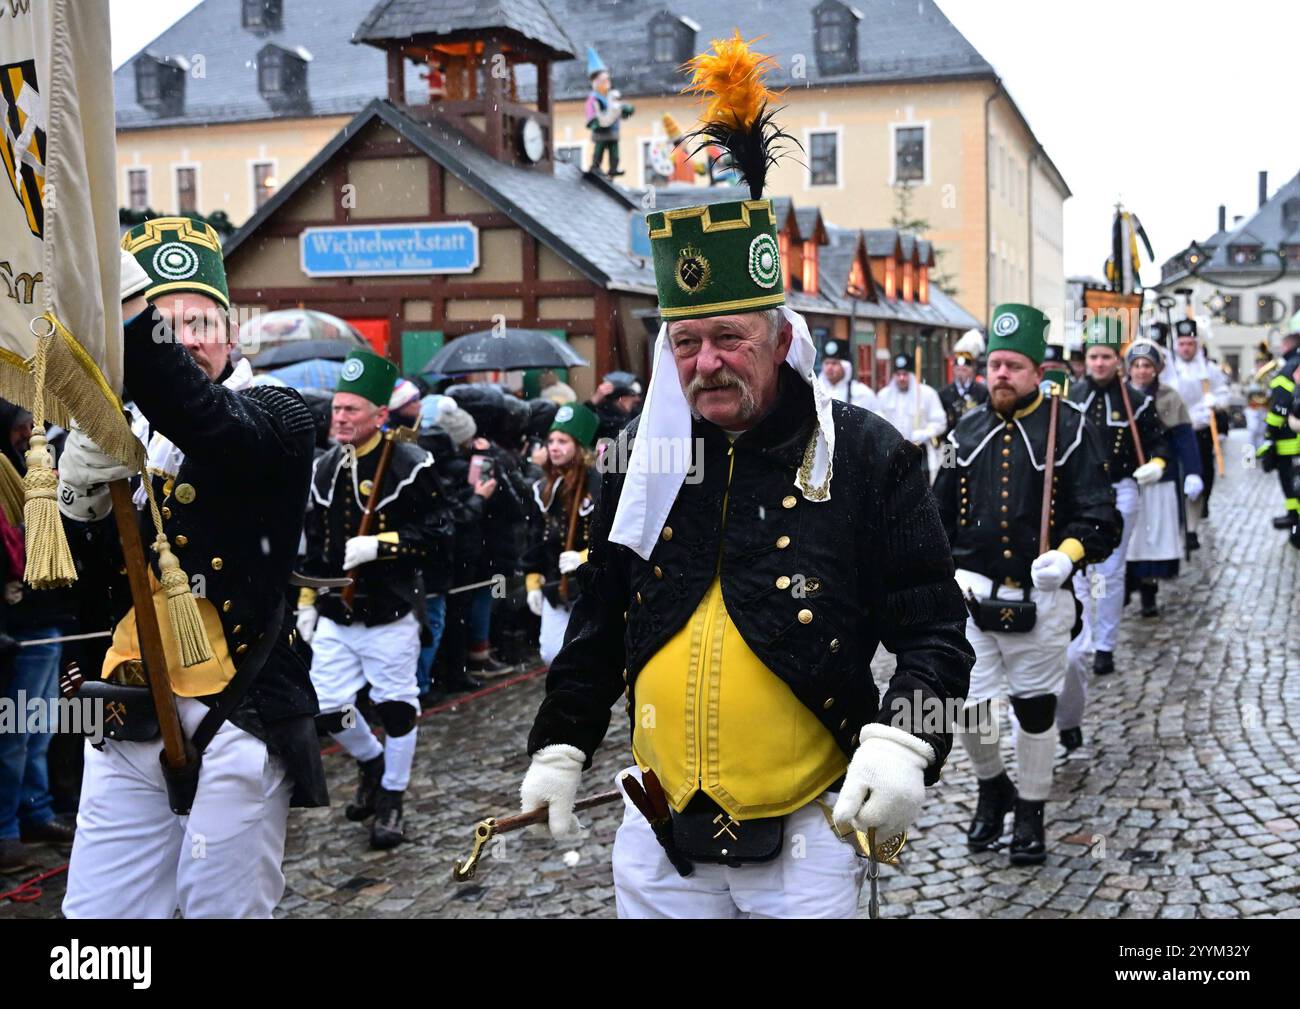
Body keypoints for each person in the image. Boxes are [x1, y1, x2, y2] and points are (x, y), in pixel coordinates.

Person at [517, 37, 972, 918]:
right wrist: (560, 745)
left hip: (808, 839)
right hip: (655, 834)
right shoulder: (641, 462)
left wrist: (906, 742)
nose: (707, 362)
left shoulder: (870, 456)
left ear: (779, 337)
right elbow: (601, 620)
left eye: (731, 338)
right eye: (686, 343)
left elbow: (933, 630)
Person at [59, 223, 326, 918]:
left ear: (232, 333)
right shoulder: (117, 428)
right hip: (128, 701)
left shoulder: (278, 413)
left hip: (240, 711)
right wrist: (81, 507)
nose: (186, 338)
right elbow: (90, 590)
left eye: (201, 320)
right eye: (165, 322)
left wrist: (124, 312)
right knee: (98, 920)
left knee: (223, 909)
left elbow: (207, 421)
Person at [936, 303, 1119, 865]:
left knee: (1035, 709)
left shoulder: (1070, 426)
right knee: (968, 707)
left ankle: (1032, 810)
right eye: (994, 365)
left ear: (1038, 372)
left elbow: (1101, 513)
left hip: (1041, 598)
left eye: (1014, 366)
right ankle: (993, 788)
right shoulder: (964, 430)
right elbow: (934, 512)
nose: (1001, 375)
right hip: (972, 597)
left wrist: (1067, 556)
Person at [296, 349, 454, 849]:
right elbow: (317, 543)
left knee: (397, 708)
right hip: (336, 614)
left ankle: (391, 798)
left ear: (380, 416)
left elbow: (441, 530)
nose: (339, 418)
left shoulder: (410, 462)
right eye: (337, 409)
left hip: (390, 611)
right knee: (327, 709)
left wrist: (383, 545)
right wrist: (306, 599)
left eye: (351, 411)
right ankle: (370, 761)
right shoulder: (323, 467)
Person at [1067, 315, 1169, 676]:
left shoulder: (1137, 402)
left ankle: (1105, 645)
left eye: (1106, 357)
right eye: (1094, 357)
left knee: (1109, 571)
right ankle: (1082, 637)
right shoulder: (1070, 396)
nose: (1099, 363)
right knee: (1076, 571)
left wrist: (1156, 464)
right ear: (1086, 359)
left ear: (1117, 360)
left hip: (1120, 490)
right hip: (1077, 496)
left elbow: (1160, 443)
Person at [1125, 340, 1202, 616]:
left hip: (1161, 479)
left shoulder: (1170, 397)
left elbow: (1184, 439)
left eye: (1147, 365)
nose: (1142, 371)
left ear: (1156, 369)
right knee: (1127, 539)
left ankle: (1148, 592)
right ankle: (1123, 589)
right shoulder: (1119, 396)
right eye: (1136, 365)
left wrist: (1193, 472)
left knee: (1152, 540)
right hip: (1127, 480)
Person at [523, 404, 600, 665]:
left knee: (587, 656)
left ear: (578, 446)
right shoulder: (543, 487)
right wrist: (533, 580)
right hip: (556, 585)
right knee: (551, 653)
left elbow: (614, 535)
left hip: (591, 584)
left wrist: (584, 557)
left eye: (563, 441)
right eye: (551, 441)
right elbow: (536, 537)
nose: (554, 447)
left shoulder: (598, 484)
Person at [1161, 319, 1227, 550]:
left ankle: (1192, 528)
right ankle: (1176, 523)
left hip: (1199, 431)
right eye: (1182, 343)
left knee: (1201, 478)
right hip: (1173, 430)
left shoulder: (1208, 369)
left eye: (1190, 343)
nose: (1186, 348)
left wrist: (1215, 401)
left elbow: (1223, 392)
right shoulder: (1168, 368)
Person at [1257, 313, 1300, 545]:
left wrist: (1269, 436)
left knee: (1292, 485)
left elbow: (1278, 410)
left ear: (1286, 345)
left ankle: (1296, 524)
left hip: (1288, 441)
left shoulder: (1288, 370)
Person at [874, 352, 947, 480]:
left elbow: (940, 422)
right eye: (898, 374)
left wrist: (926, 433)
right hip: (892, 454)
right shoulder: (883, 396)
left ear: (912, 375)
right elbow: (877, 423)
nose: (902, 378)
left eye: (905, 374)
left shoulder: (927, 394)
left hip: (921, 453)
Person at [584, 47, 633, 177]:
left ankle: (613, 167)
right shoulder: (594, 98)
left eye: (606, 81)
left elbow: (619, 110)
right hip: (601, 130)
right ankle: (595, 165)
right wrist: (593, 122)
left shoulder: (612, 96)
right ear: (595, 83)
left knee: (614, 150)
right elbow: (590, 112)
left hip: (613, 130)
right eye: (602, 81)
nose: (605, 84)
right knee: (599, 148)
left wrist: (625, 111)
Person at [938, 350, 989, 436]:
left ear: (971, 370)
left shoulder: (982, 392)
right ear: (953, 370)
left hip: (975, 437)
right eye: (958, 369)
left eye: (964, 370)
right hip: (951, 439)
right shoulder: (944, 393)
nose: (961, 373)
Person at [817, 339, 876, 411]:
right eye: (826, 363)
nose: (829, 367)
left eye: (834, 363)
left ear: (845, 367)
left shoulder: (862, 393)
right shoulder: (815, 391)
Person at [585, 370, 643, 442]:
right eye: (633, 395)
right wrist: (592, 402)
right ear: (621, 399)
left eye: (639, 395)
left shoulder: (634, 417)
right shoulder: (602, 420)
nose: (638, 399)